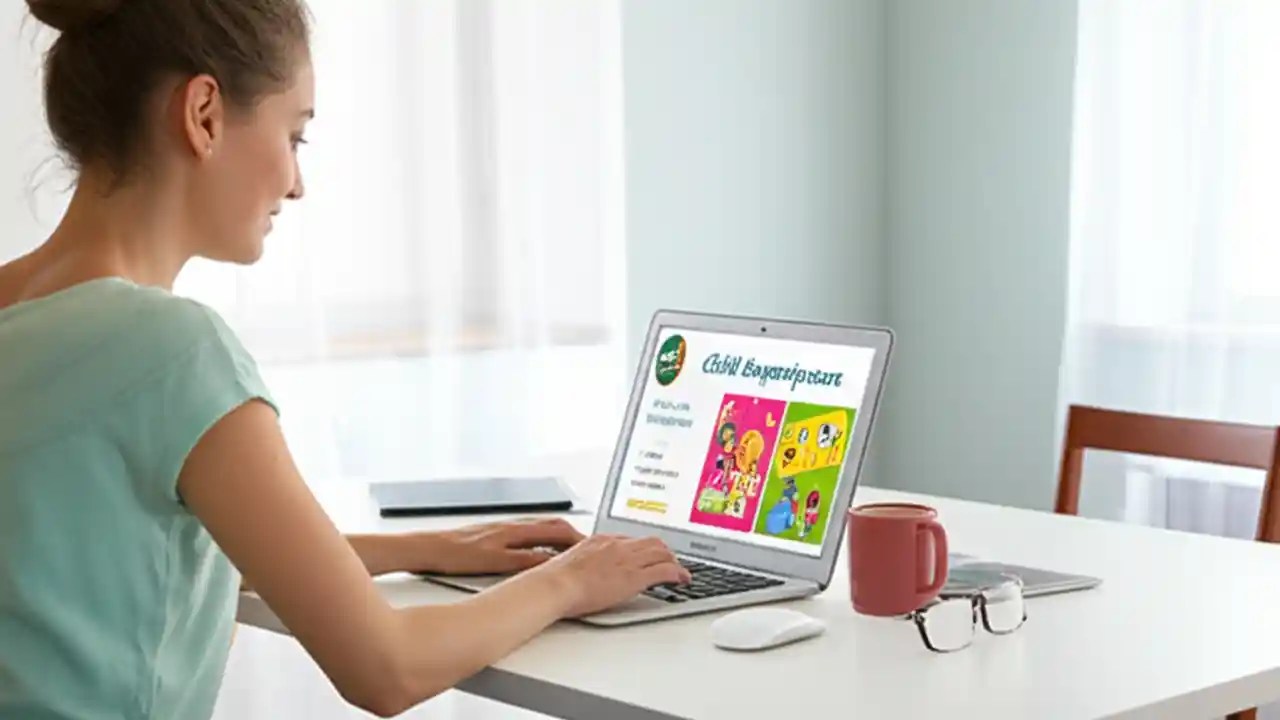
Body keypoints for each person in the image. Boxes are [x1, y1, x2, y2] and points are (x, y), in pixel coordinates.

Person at [0, 1, 689, 718]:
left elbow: (130, 557)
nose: (297, 182)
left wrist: (431, 547)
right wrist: (573, 579)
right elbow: (386, 669)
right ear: (204, 114)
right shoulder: (171, 350)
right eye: (294, 135)